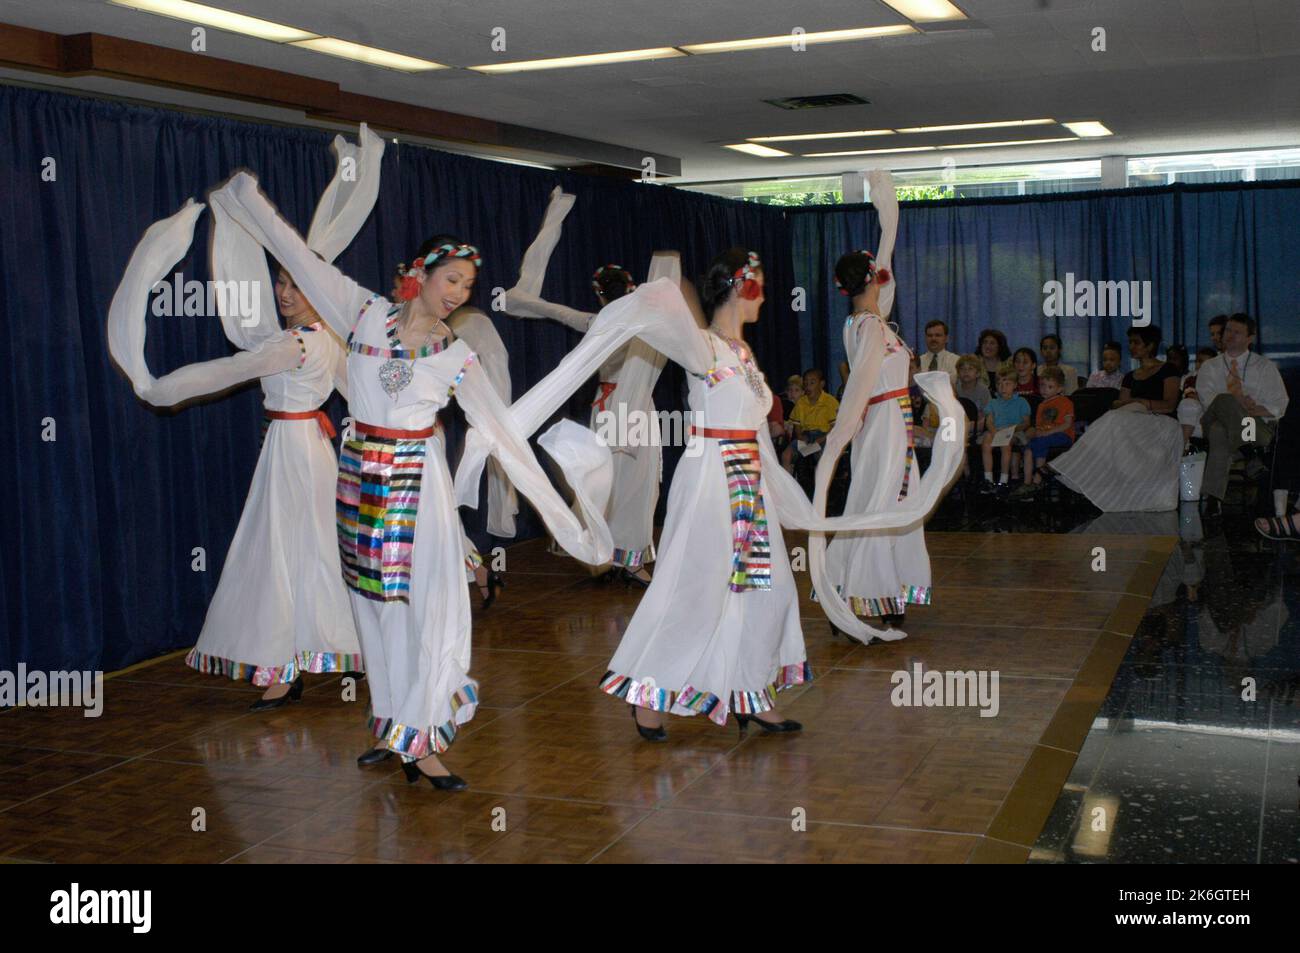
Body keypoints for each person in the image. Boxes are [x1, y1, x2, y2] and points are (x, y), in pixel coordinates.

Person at [210, 171, 627, 791]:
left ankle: (425, 739)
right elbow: (296, 253)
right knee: (375, 611)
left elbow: (503, 435)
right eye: (451, 279)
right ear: (420, 274)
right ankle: (393, 728)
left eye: (467, 285)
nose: (458, 292)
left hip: (418, 487)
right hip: (359, 482)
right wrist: (248, 200)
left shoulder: (455, 355)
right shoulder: (362, 314)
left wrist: (563, 516)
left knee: (429, 612)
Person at [600, 246, 965, 738]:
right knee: (697, 588)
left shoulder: (743, 352)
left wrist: (785, 487)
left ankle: (753, 691)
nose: (766, 296)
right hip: (711, 483)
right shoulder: (702, 347)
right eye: (760, 286)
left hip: (749, 479)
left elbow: (753, 430)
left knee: (765, 590)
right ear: (739, 286)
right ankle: (649, 694)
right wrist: (670, 274)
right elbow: (669, 303)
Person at [105, 125, 381, 710]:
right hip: (307, 449)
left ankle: (285, 664)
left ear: (315, 290)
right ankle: (320, 652)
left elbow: (226, 372)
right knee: (304, 551)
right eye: (279, 283)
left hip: (294, 452)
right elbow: (360, 396)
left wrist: (164, 387)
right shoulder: (331, 340)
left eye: (294, 285)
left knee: (281, 551)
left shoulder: (296, 345)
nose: (284, 294)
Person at [502, 189, 671, 586]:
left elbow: (541, 307)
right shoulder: (631, 325)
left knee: (605, 478)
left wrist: (555, 216)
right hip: (633, 411)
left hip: (609, 408)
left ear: (600, 294)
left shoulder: (595, 321)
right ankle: (624, 557)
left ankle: (605, 553)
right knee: (636, 483)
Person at [1049, 325, 1184, 511]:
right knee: (1114, 418)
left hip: (1162, 422)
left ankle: (1072, 465)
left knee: (1114, 420)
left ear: (1150, 345)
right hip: (1134, 419)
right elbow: (1121, 403)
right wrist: (1131, 404)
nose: (1132, 346)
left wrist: (1141, 402)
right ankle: (1082, 471)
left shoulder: (1168, 370)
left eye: (1136, 342)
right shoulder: (1130, 376)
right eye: (1130, 342)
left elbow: (1169, 404)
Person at [1195, 313, 1289, 516]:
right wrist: (1238, 403)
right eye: (1227, 330)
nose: (1229, 335)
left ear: (1250, 338)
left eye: (1237, 332)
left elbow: (1281, 404)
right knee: (1224, 400)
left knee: (1220, 431)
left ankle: (1214, 498)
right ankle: (1250, 456)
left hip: (1257, 429)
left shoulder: (1265, 366)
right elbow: (1208, 401)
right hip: (1218, 419)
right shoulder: (1210, 366)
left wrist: (1258, 409)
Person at [1019, 366, 1075, 487]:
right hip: (1045, 436)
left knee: (1041, 442)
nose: (1045, 390)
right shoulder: (1041, 405)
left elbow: (1067, 424)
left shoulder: (1065, 402)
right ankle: (1027, 483)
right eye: (1042, 385)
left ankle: (1038, 480)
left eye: (1050, 387)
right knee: (1027, 449)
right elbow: (1040, 427)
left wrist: (1047, 433)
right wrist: (1033, 433)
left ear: (1059, 388)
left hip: (1063, 435)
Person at [981, 368, 1031, 487]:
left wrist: (1012, 429)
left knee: (1005, 443)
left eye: (1007, 384)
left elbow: (1026, 422)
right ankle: (988, 478)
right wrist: (995, 432)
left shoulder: (1021, 401)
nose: (1002, 387)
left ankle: (1003, 479)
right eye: (999, 384)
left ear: (1014, 385)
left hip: (1015, 431)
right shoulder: (993, 402)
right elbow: (989, 421)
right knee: (986, 440)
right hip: (996, 430)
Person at [784, 368, 838, 474]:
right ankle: (789, 486)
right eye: (805, 383)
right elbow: (797, 426)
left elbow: (834, 428)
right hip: (806, 437)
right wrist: (800, 437)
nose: (808, 386)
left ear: (822, 384)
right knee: (786, 455)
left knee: (821, 457)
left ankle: (820, 487)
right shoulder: (801, 402)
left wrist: (821, 440)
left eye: (812, 383)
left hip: (824, 438)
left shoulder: (830, 402)